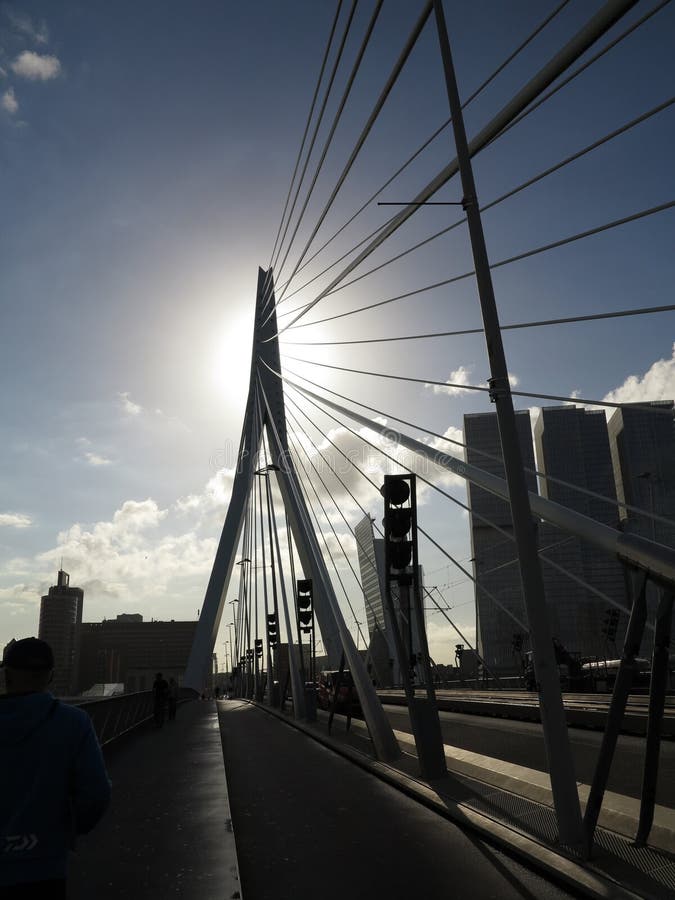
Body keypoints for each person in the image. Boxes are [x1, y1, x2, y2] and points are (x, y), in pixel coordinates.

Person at [0, 637, 111, 898]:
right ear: (50, 676)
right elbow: (96, 794)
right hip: (44, 865)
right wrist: (67, 829)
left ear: (6, 675)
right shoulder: (72, 722)